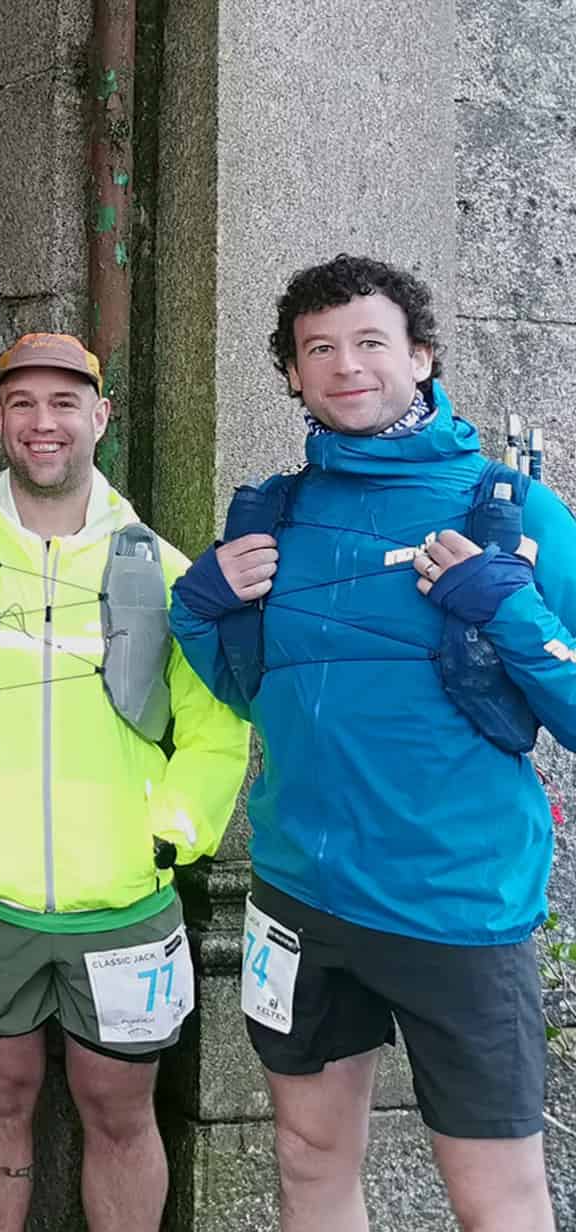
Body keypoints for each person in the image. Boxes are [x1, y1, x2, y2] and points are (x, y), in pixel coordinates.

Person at [171, 256, 576, 1232]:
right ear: (290, 373)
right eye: (317, 348)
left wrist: (508, 612)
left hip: (452, 907)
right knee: (307, 1157)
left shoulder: (515, 514)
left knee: (496, 1194)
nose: (344, 365)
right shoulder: (274, 512)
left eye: (367, 341)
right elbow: (249, 693)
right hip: (298, 897)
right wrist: (197, 611)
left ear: (420, 354)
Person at [0, 333, 249, 1232]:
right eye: (22, 404)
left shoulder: (164, 571)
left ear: (101, 416)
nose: (42, 424)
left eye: (63, 404)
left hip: (124, 901)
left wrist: (171, 830)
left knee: (121, 1110)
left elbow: (216, 727)